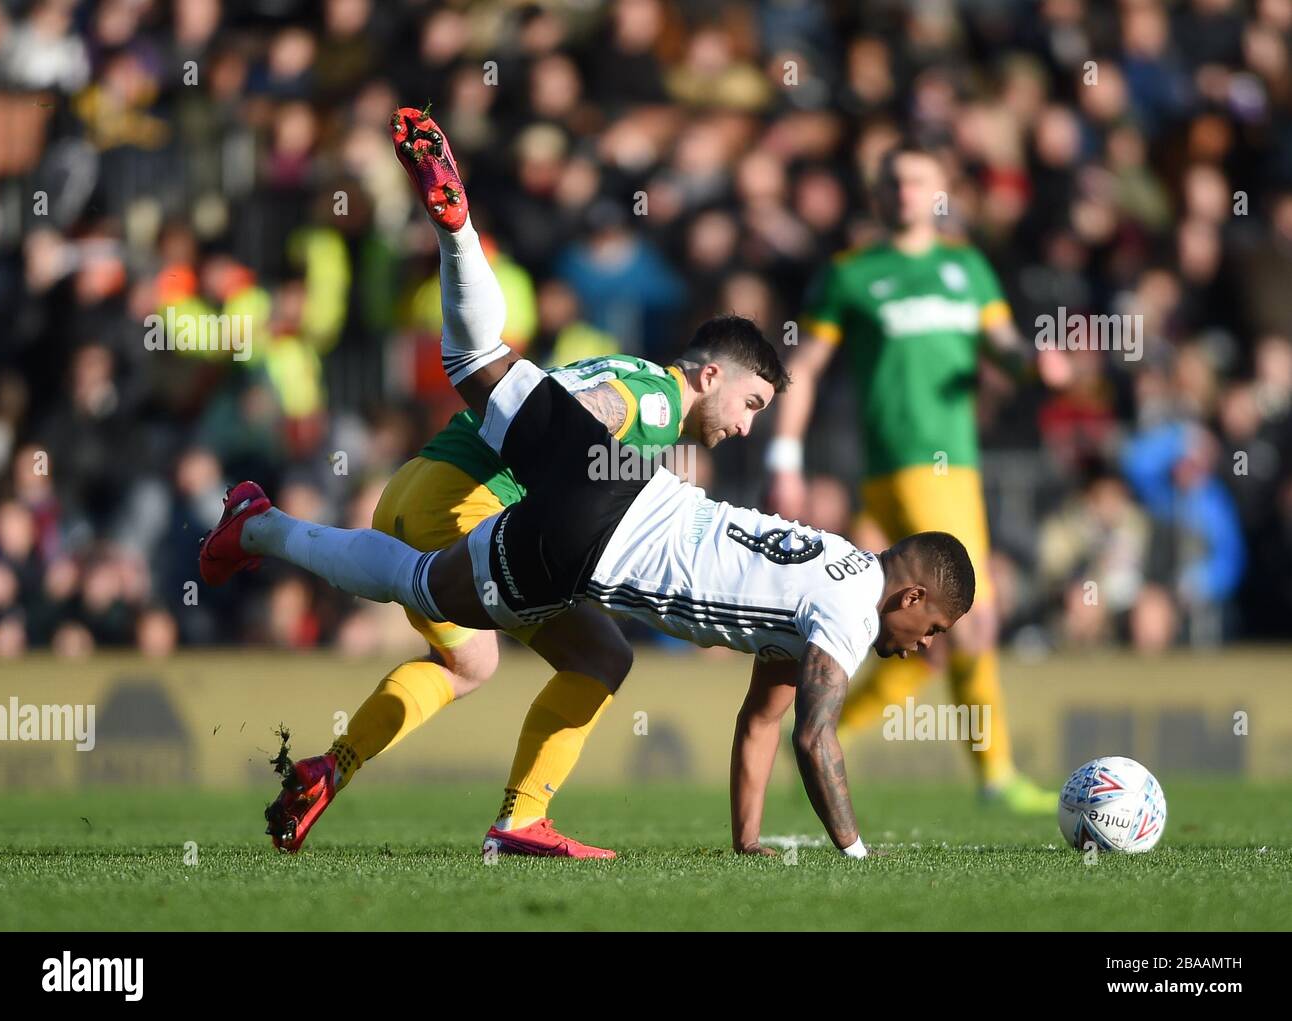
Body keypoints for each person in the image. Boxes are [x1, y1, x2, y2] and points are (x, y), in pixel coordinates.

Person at [200, 109, 978, 858]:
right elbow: (593, 414)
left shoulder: (651, 387)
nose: (745, 425)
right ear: (710, 375)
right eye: (748, 404)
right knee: (462, 614)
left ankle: (452, 235)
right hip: (489, 500)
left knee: (517, 625)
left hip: (433, 480)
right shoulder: (661, 397)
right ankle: (507, 813)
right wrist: (573, 453)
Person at [766, 141, 1068, 813]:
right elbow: (806, 368)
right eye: (893, 182)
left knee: (931, 637)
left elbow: (1005, 345)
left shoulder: (967, 268)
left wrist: (1034, 364)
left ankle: (823, 732)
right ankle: (996, 777)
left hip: (957, 467)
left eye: (918, 181)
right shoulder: (852, 273)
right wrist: (784, 456)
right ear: (878, 195)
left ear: (941, 191)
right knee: (976, 616)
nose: (905, 193)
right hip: (905, 470)